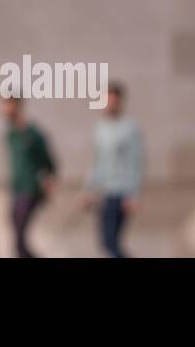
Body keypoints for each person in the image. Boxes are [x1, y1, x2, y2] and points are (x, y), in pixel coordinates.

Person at [79, 82, 143, 258]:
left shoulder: (130, 128)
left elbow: (135, 163)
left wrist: (133, 195)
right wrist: (88, 190)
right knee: (107, 243)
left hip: (121, 193)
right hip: (104, 194)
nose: (110, 104)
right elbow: (97, 164)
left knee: (111, 242)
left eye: (113, 100)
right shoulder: (100, 128)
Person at [0, 95, 55, 257]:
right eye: (3, 104)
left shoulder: (33, 134)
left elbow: (50, 164)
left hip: (30, 190)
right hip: (16, 191)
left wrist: (48, 181)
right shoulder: (10, 135)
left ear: (18, 105)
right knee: (18, 242)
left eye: (8, 104)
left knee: (19, 242)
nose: (4, 109)